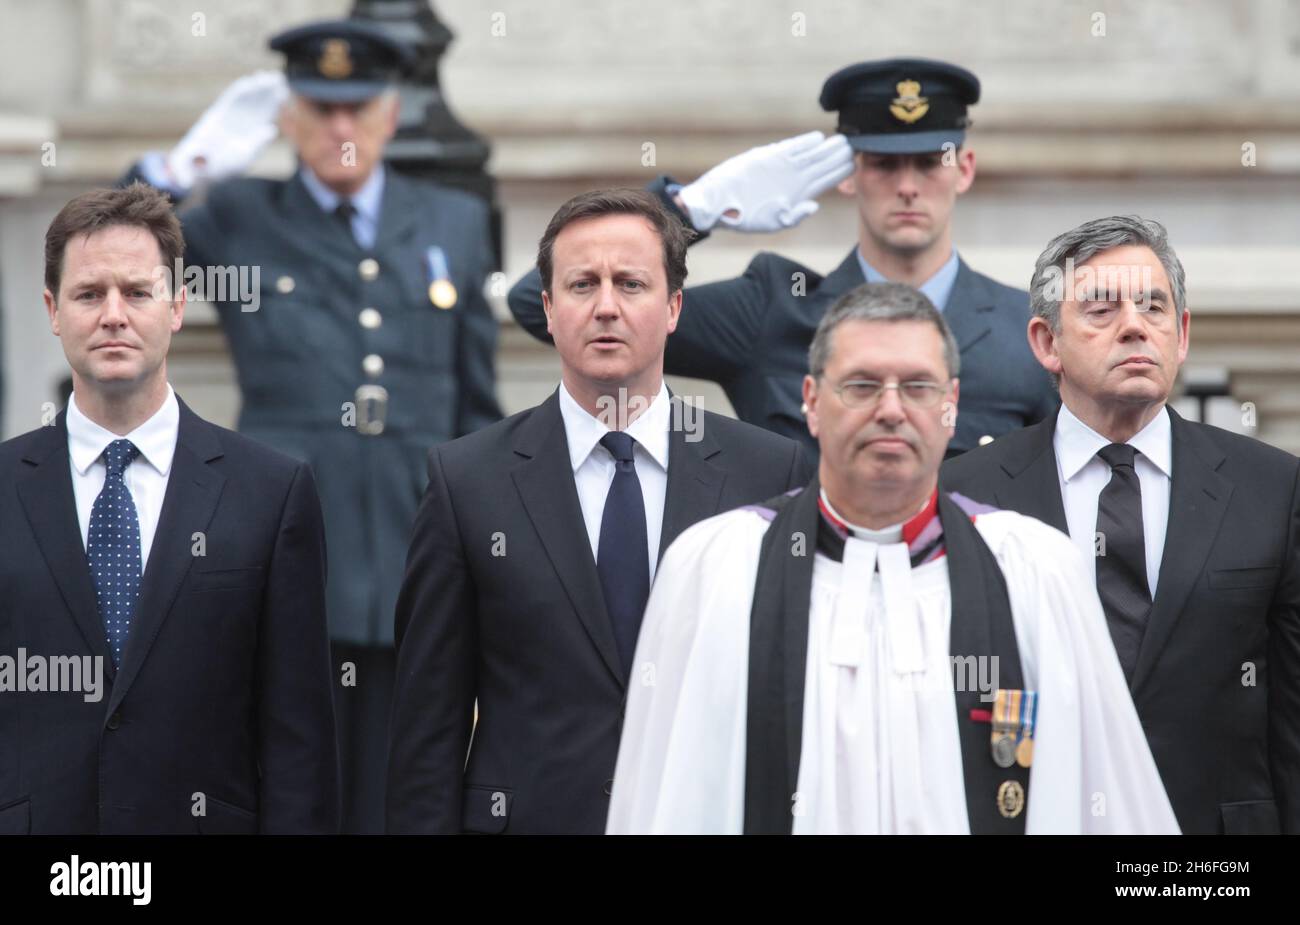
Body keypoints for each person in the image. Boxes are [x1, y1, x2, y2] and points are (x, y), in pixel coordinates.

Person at [607, 281, 1177, 834]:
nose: (890, 409)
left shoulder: (1033, 571)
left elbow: (1108, 805)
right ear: (811, 402)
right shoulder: (716, 570)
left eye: (918, 386)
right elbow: (666, 804)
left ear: (951, 405)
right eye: (860, 385)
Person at [121, 17, 502, 833]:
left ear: (392, 114)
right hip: (284, 547)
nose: (341, 128)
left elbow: (475, 405)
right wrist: (172, 173)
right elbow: (115, 257)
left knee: (406, 789)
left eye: (359, 107)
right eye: (320, 107)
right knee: (287, 787)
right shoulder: (238, 219)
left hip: (412, 551)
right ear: (286, 118)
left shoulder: (453, 223)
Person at [386, 189, 810, 834]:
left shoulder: (768, 473)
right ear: (549, 310)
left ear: (673, 309)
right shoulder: (467, 480)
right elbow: (427, 725)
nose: (606, 306)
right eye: (583, 284)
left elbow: (793, 698)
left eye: (631, 283)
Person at [942, 216, 1300, 834]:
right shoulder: (966, 493)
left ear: (1181, 334)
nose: (1135, 325)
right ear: (1046, 343)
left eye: (1154, 307)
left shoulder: (1272, 487)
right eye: (1102, 309)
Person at [509, 57, 1055, 459]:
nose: (908, 187)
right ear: (848, 173)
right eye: (885, 165)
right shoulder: (772, 308)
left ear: (964, 168)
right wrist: (689, 210)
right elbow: (539, 309)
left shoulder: (1023, 330)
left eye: (928, 163)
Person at [0, 184, 337, 834]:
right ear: (52, 309)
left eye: (138, 291)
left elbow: (299, 741)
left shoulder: (270, 492)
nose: (114, 315)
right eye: (90, 294)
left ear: (178, 305)